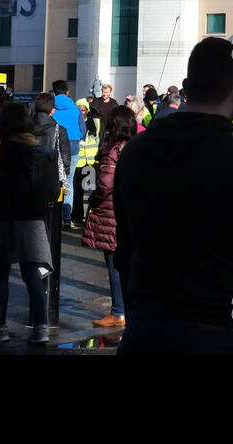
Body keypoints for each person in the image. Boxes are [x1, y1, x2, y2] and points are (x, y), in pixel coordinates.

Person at [113, 36, 233, 354]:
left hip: (146, 328)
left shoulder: (134, 153)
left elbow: (124, 249)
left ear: (185, 86)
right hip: (219, 329)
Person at [0, 100, 60, 344]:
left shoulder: (5, 149)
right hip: (34, 219)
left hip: (9, 217)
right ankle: (41, 326)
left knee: (1, 273)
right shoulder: (37, 148)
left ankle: (0, 326)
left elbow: (4, 186)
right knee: (32, 273)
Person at [82, 105, 138, 328]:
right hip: (130, 208)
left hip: (110, 210)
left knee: (114, 261)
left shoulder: (112, 148)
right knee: (127, 261)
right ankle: (128, 309)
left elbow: (105, 182)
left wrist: (95, 198)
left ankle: (118, 311)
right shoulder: (135, 145)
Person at [51, 80, 85, 229]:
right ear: (67, 92)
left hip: (56, 143)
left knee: (53, 178)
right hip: (73, 144)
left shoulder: (50, 106)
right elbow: (82, 130)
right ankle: (66, 217)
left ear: (54, 92)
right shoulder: (75, 108)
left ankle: (53, 216)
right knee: (69, 181)